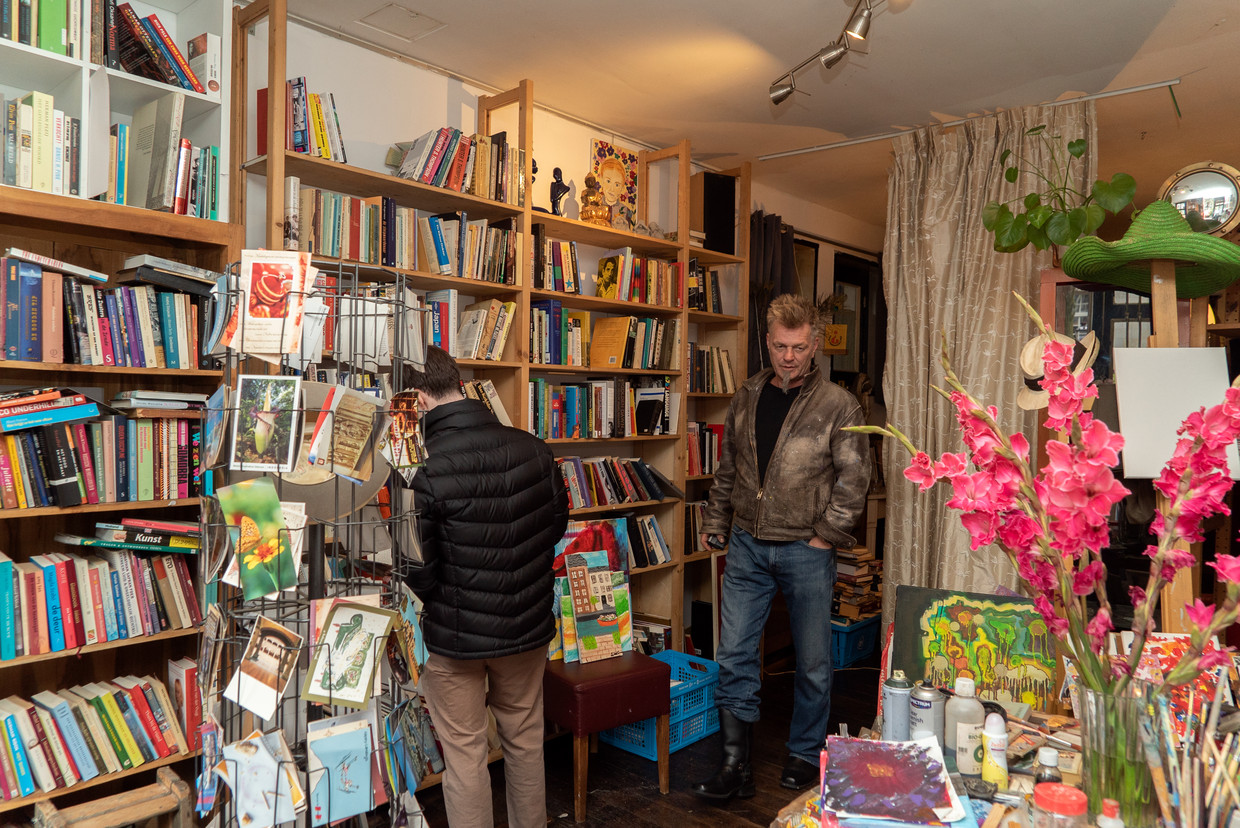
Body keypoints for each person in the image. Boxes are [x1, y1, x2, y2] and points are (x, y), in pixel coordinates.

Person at [692, 293, 871, 801]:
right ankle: (735, 764)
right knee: (733, 654)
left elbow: (855, 478)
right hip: (747, 544)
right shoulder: (748, 394)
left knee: (813, 660)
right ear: (766, 341)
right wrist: (716, 519)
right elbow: (729, 468)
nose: (788, 357)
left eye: (798, 347)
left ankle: (802, 752)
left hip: (805, 549)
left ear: (814, 345)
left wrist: (825, 536)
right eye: (779, 346)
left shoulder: (839, 404)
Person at [402, 346, 569, 828]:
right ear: (456, 383)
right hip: (529, 629)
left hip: (457, 641)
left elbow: (421, 570)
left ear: (417, 399)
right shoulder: (534, 448)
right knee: (525, 740)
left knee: (466, 756)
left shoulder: (422, 468)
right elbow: (554, 528)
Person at [597, 155, 635, 230]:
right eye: (608, 181)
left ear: (622, 188)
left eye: (617, 184)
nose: (612, 189)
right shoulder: (596, 205)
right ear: (601, 180)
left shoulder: (626, 210)